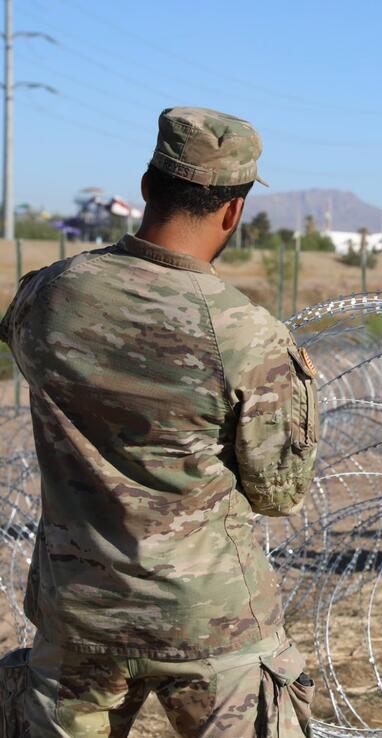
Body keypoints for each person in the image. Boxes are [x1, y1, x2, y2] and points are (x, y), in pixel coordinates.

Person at [0, 107, 318, 737]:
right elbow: (278, 492)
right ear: (235, 211)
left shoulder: (49, 295)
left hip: (80, 609)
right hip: (211, 619)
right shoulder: (248, 335)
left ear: (146, 186)